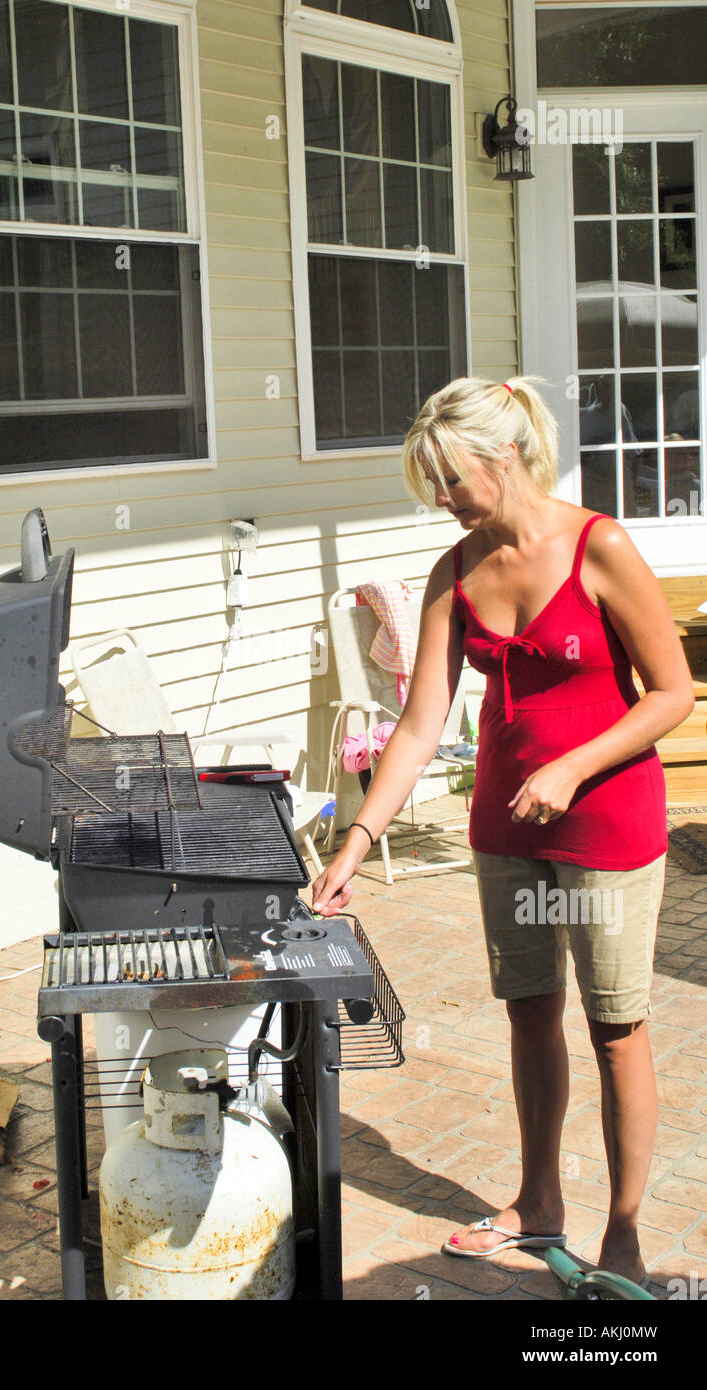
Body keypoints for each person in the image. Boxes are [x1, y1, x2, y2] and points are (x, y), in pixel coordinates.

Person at [310, 375, 694, 1284]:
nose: (442, 503)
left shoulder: (600, 547)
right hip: (505, 832)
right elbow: (416, 728)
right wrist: (354, 843)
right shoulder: (457, 572)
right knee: (529, 1013)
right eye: (431, 487)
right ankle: (538, 1202)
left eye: (450, 481)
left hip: (605, 826)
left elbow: (674, 691)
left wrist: (571, 766)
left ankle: (628, 1230)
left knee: (615, 1026)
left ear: (503, 455)